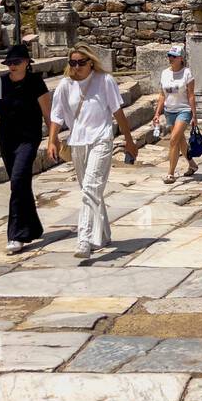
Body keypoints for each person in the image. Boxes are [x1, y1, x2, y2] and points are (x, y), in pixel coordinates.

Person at [47, 45, 137, 259]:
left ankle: (84, 239)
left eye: (80, 62)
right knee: (90, 190)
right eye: (72, 63)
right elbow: (56, 116)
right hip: (77, 142)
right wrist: (51, 140)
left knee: (90, 187)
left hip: (101, 139)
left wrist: (129, 140)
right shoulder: (65, 85)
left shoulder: (104, 81)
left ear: (90, 63)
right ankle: (103, 234)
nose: (76, 67)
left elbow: (117, 111)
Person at [0, 43, 52, 255]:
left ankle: (16, 235)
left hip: (29, 139)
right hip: (7, 140)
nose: (12, 66)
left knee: (18, 181)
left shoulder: (36, 83)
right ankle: (33, 227)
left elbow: (48, 113)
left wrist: (53, 139)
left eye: (16, 62)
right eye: (9, 63)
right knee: (20, 185)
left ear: (27, 63)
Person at [152, 44, 199, 185]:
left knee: (173, 140)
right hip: (169, 111)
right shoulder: (165, 73)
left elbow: (191, 95)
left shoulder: (187, 73)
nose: (170, 58)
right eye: (169, 56)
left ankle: (170, 174)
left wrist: (194, 115)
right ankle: (192, 164)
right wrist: (157, 113)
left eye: (173, 56)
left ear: (180, 58)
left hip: (183, 110)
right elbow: (162, 94)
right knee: (179, 140)